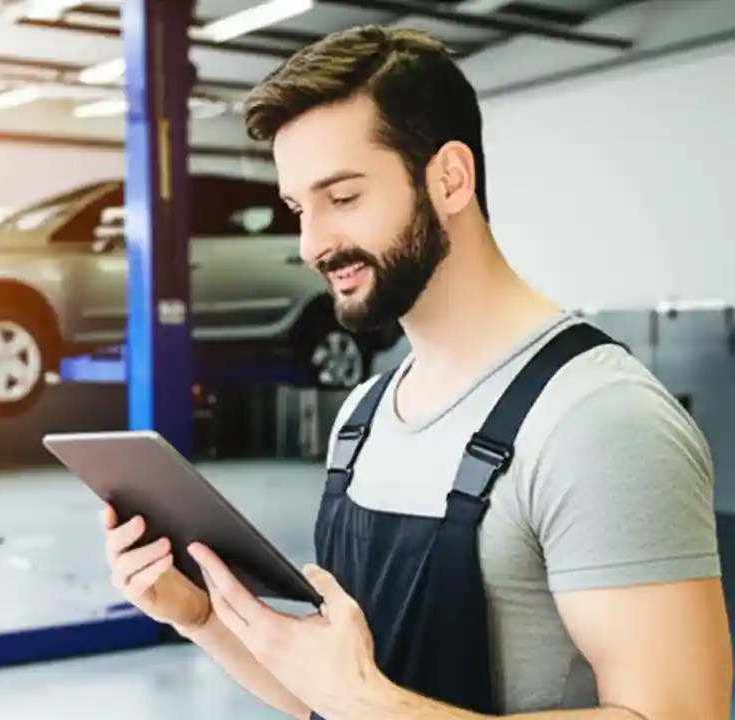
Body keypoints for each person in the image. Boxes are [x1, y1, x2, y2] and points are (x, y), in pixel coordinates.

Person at [100, 24, 732, 720]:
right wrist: (199, 617)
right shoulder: (362, 418)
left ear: (449, 178)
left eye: (343, 198)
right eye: (299, 210)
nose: (313, 244)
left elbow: (681, 715)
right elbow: (340, 698)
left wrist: (370, 703)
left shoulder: (599, 420)